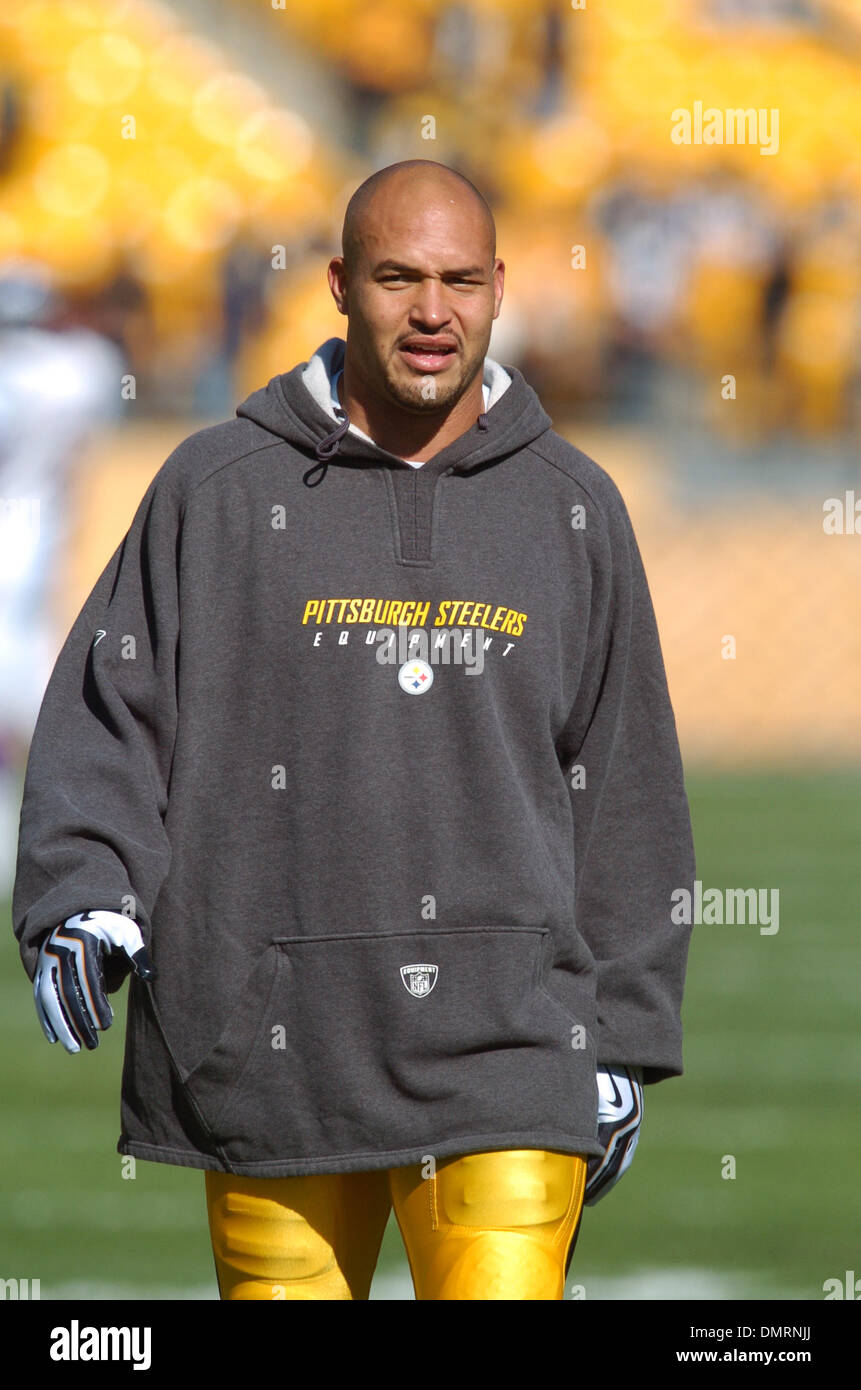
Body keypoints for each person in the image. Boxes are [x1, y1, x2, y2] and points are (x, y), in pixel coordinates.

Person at [12, 159, 695, 1301]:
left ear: (499, 288)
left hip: (511, 1054)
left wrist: (622, 1038)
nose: (433, 311)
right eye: (398, 277)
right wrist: (81, 893)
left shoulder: (573, 506)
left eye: (460, 280)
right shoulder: (215, 488)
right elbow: (109, 709)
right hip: (270, 1058)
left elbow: (625, 786)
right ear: (338, 285)